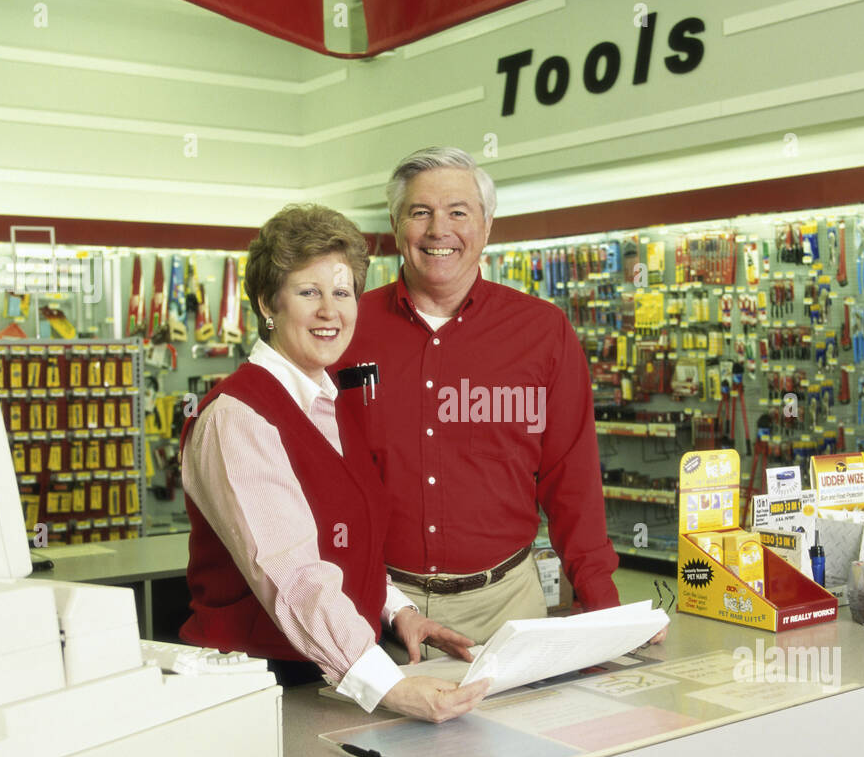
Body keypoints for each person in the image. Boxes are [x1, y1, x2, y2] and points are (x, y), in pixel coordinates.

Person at [337, 147, 662, 651]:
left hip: (507, 607)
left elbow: (571, 482)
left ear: (487, 227)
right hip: (372, 606)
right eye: (420, 212)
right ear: (397, 227)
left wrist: (602, 605)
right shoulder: (346, 329)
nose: (437, 229)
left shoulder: (543, 332)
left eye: (458, 212)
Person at [179, 203, 490, 722]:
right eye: (308, 292)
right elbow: (292, 575)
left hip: (332, 675)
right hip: (260, 687)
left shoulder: (331, 402)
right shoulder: (239, 418)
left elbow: (347, 545)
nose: (331, 311)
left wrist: (397, 611)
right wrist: (387, 685)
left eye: (342, 293)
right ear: (266, 304)